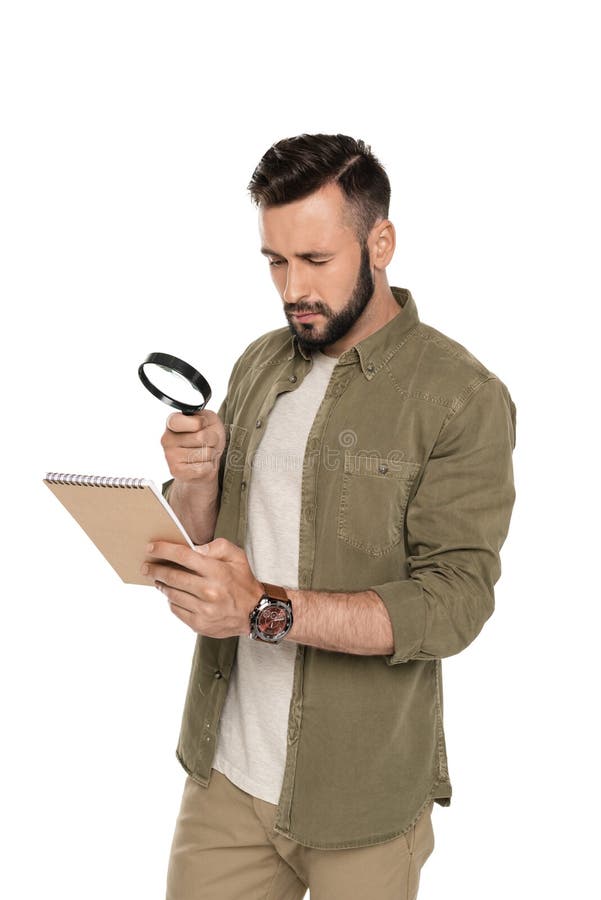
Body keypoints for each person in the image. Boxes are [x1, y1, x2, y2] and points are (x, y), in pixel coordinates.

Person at [143, 133, 517, 900]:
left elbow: (453, 603)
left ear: (379, 243)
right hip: (227, 779)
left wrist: (264, 610)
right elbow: (207, 540)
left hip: (363, 797)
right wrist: (198, 480)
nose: (292, 289)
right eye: (275, 262)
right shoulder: (260, 362)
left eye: (315, 261)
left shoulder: (461, 395)